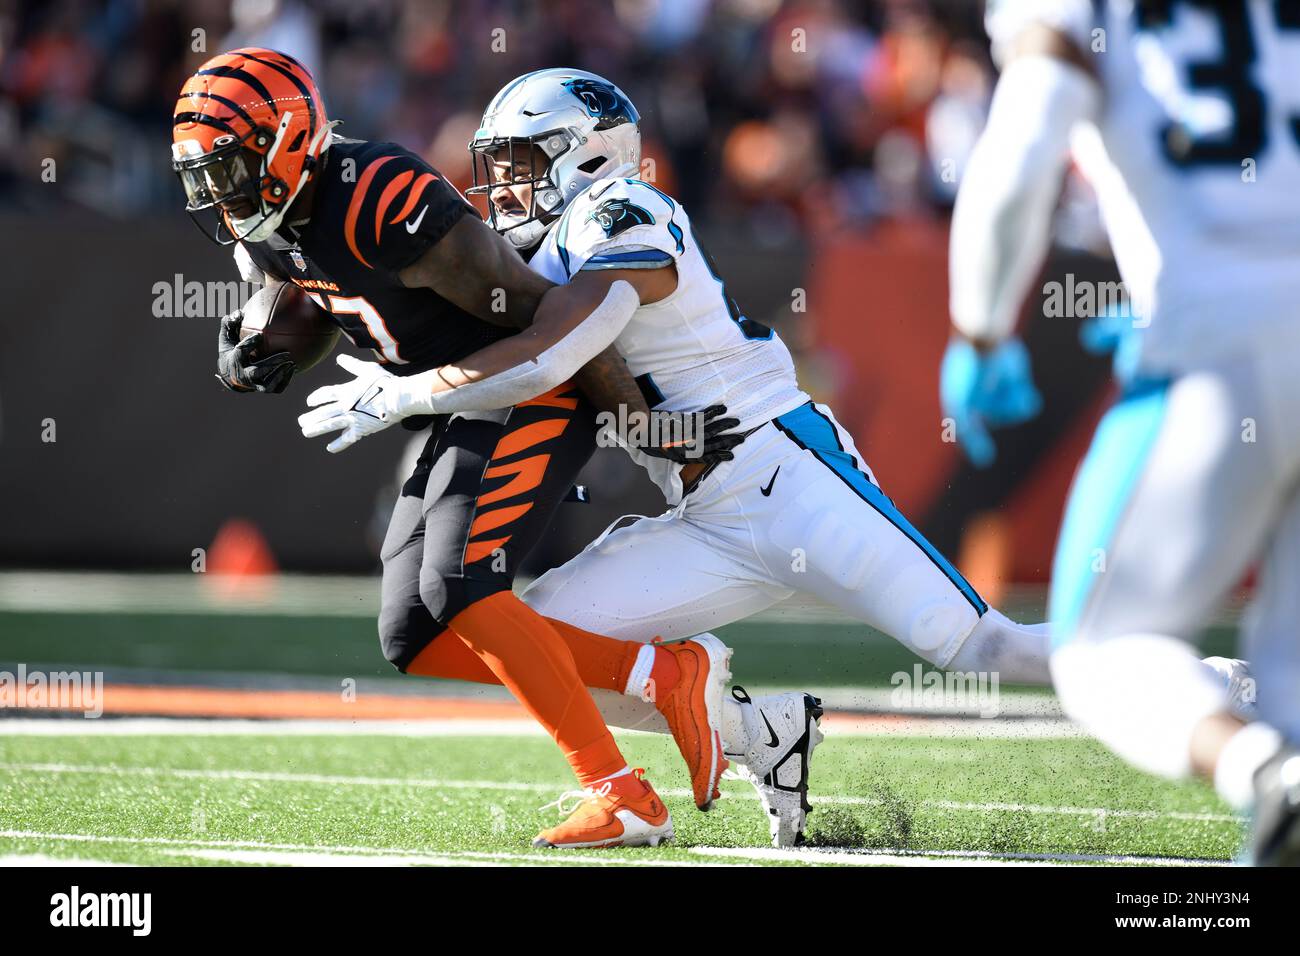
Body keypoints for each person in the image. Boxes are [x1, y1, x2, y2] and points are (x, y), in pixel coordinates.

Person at [302, 68, 1055, 848]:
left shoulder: (627, 211)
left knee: (989, 649)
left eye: (522, 163)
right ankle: (763, 731)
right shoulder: (550, 244)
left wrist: (406, 396)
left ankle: (1185, 683)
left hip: (789, 479)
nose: (504, 186)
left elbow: (553, 352)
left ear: (585, 156)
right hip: (704, 518)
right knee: (546, 642)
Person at [173, 48, 747, 849]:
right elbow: (305, 289)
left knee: (460, 583)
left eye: (230, 169)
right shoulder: (263, 220)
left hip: (526, 386)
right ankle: (666, 676)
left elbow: (553, 323)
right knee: (416, 632)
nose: (217, 192)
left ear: (286, 145)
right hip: (453, 401)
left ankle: (620, 795)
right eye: (204, 175)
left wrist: (642, 421)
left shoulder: (382, 199)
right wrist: (264, 341)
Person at [942, 0, 1300, 863]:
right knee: (1292, 681)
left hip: (1220, 335)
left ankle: (1261, 769)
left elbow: (1024, 146)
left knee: (1104, 653)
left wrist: (978, 328)